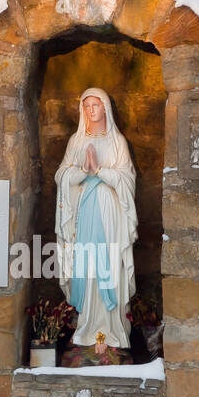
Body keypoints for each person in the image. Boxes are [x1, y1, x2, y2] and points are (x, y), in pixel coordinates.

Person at [54, 87, 137, 351]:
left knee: (109, 263)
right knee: (86, 263)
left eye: (96, 105)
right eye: (86, 106)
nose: (91, 110)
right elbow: (60, 175)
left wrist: (100, 170)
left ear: (106, 108)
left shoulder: (117, 142)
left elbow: (127, 179)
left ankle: (110, 329)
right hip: (84, 210)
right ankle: (88, 326)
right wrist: (81, 171)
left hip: (109, 211)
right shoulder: (76, 142)